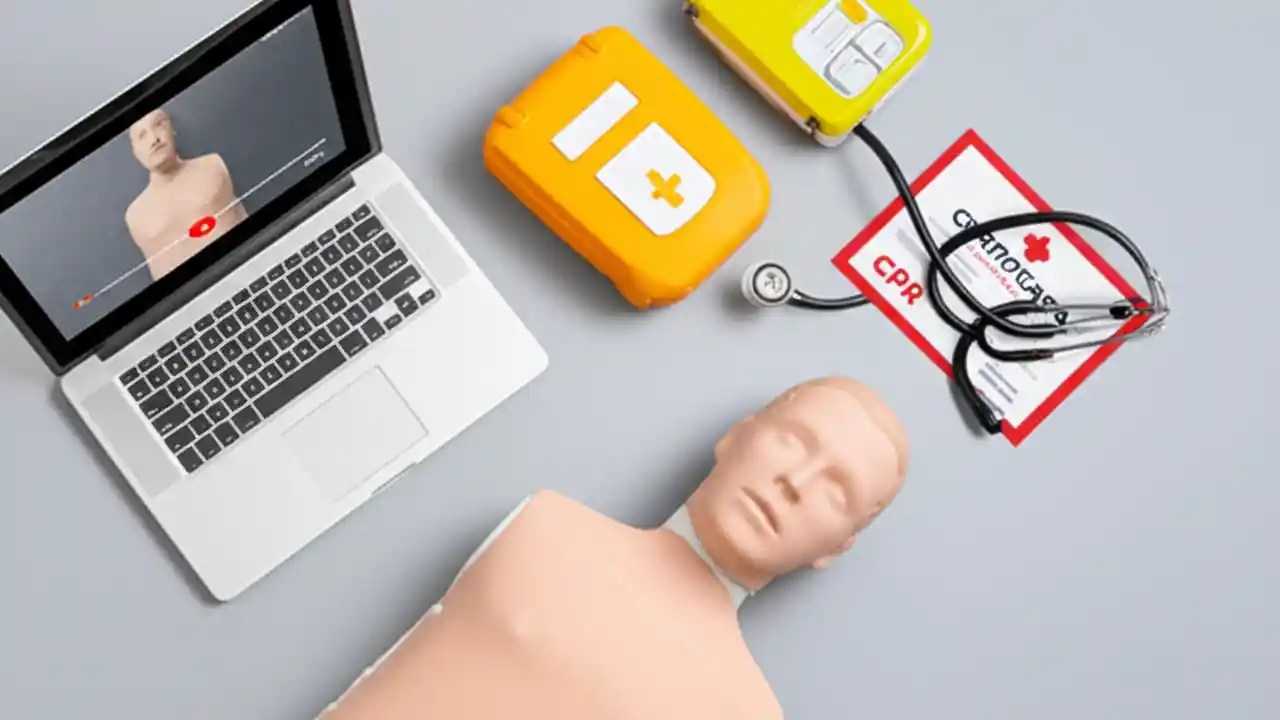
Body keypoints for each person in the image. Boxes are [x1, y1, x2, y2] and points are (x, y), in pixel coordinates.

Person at [319, 377, 910, 720]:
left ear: (837, 547)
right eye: (792, 441)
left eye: (837, 491)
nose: (795, 483)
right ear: (736, 436)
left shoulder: (744, 711)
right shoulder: (547, 527)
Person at [124, 108, 247, 281]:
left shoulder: (212, 166)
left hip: (243, 272)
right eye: (142, 135)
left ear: (171, 128)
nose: (154, 139)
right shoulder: (135, 215)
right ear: (135, 151)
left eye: (159, 124)